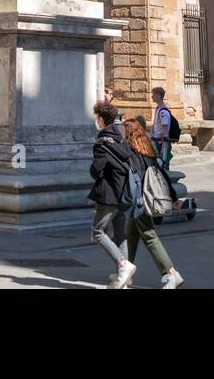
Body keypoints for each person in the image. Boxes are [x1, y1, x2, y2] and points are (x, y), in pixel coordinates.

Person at [122, 117, 184, 289]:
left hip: (139, 200)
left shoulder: (128, 151)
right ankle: (125, 272)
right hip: (146, 199)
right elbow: (162, 175)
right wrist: (173, 197)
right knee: (131, 234)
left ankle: (171, 273)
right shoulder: (147, 150)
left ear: (127, 133)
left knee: (149, 236)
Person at [89, 98, 134, 289]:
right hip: (124, 193)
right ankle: (124, 278)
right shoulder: (120, 138)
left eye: (97, 117)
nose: (96, 120)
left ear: (100, 119)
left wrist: (94, 166)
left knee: (98, 232)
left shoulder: (102, 143)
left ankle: (123, 266)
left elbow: (96, 171)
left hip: (108, 194)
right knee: (120, 235)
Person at [151, 87, 174, 170]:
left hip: (161, 143)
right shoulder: (158, 109)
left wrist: (163, 149)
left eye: (153, 94)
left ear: (158, 96)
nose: (152, 96)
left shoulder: (163, 112)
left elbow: (165, 131)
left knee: (163, 168)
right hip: (157, 142)